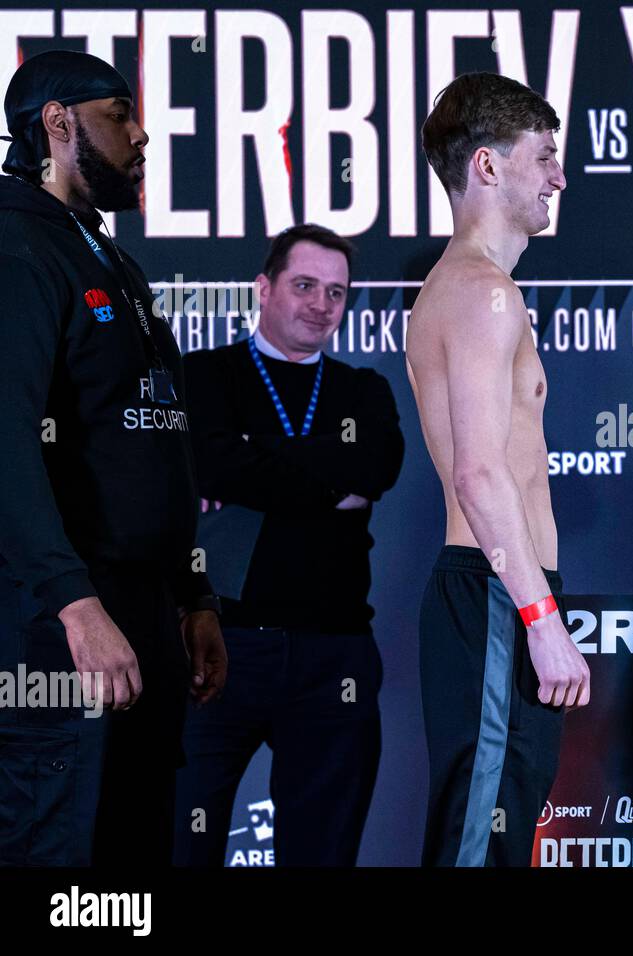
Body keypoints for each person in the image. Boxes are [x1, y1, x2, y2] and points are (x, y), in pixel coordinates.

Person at [0, 50, 225, 866]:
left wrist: (192, 595)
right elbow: (6, 444)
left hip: (144, 612)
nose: (140, 134)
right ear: (58, 123)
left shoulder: (106, 256)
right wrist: (74, 605)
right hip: (55, 626)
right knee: (62, 853)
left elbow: (157, 444)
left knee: (132, 854)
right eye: (119, 114)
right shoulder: (15, 246)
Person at [172, 224, 404, 866]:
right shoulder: (205, 375)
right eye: (305, 285)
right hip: (217, 645)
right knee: (182, 844)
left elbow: (376, 469)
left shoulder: (363, 390)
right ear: (263, 287)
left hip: (334, 655)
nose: (321, 304)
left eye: (336, 292)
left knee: (323, 854)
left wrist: (258, 459)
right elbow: (214, 465)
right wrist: (329, 485)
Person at [408, 71, 591, 867]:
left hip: (500, 594)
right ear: (487, 165)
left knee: (494, 836)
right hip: (497, 596)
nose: (559, 176)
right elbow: (479, 476)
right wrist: (542, 622)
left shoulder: (470, 288)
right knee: (479, 844)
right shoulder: (481, 293)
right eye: (543, 155)